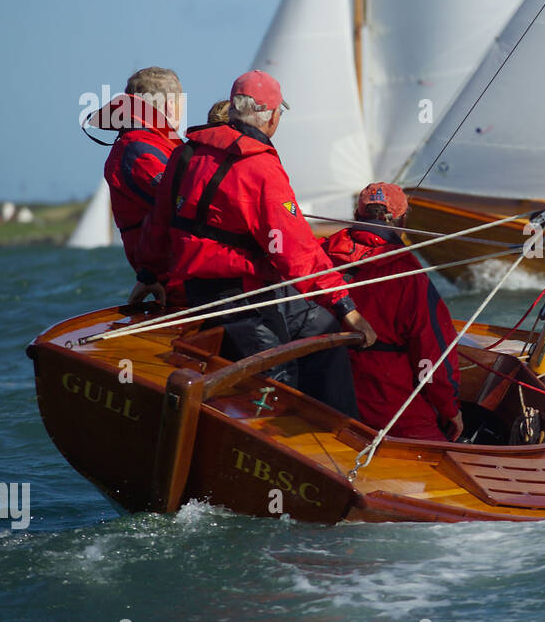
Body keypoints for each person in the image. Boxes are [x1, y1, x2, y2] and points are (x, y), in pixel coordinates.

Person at [132, 70, 376, 418]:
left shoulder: (186, 155)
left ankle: (341, 429)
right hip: (244, 300)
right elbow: (296, 255)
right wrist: (347, 306)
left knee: (321, 327)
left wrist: (146, 272)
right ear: (272, 115)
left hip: (203, 294)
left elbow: (158, 224)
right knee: (278, 380)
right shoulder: (260, 168)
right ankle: (299, 450)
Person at [319, 183, 464, 442]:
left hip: (319, 382)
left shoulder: (318, 253)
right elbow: (432, 353)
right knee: (439, 454)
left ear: (356, 214)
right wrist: (449, 408)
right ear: (403, 220)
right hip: (381, 394)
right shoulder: (409, 276)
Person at [85, 67, 185, 282]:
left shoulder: (147, 145)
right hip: (176, 276)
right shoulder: (139, 152)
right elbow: (183, 204)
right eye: (180, 104)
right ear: (169, 106)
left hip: (178, 271)